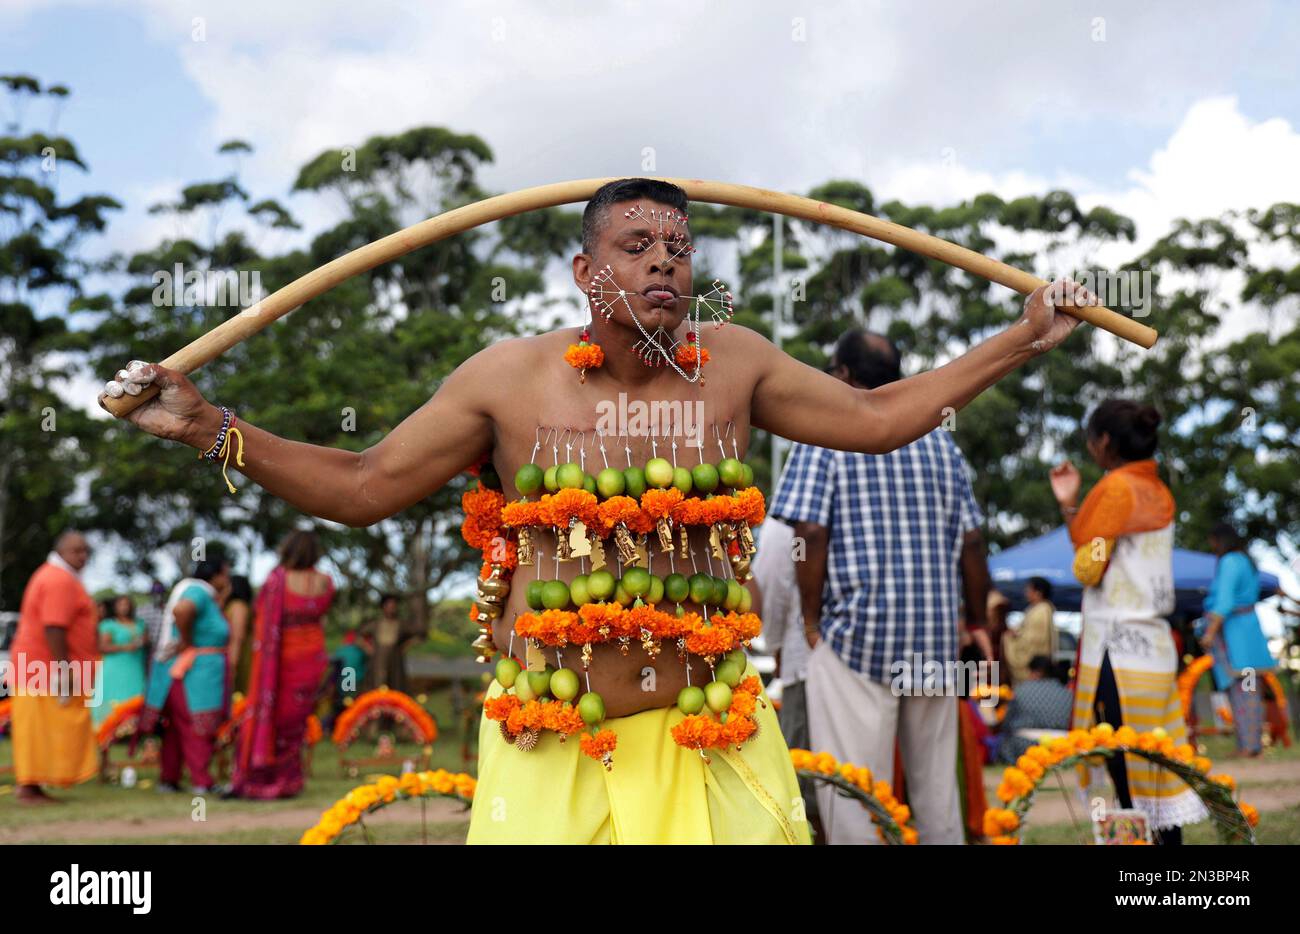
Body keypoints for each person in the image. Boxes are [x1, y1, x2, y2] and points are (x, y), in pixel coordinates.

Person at [102, 177, 1085, 844]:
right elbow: (363, 486)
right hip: (551, 743)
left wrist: (1022, 337)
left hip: (714, 738)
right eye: (637, 244)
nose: (665, 262)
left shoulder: (734, 364)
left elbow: (875, 417)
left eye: (680, 248)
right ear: (585, 272)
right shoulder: (506, 379)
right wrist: (211, 429)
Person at [771, 327, 994, 845]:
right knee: (938, 795)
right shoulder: (942, 444)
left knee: (855, 795)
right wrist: (976, 620)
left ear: (843, 376)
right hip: (935, 642)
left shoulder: (825, 432)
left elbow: (809, 531)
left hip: (856, 637)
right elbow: (974, 542)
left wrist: (809, 622)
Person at [1050, 399, 1206, 843]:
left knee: (1121, 764)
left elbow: (1089, 565)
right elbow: (1097, 540)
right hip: (1154, 651)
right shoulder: (1156, 489)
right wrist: (1071, 506)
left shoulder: (1116, 490)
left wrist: (1078, 536)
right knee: (1157, 762)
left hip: (1116, 652)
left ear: (1103, 442)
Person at [230, 530, 334, 799]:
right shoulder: (325, 582)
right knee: (296, 723)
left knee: (275, 717)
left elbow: (261, 618)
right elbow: (321, 615)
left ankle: (265, 777)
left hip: (281, 661)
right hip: (313, 658)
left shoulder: (277, 581)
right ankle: (288, 779)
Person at [8, 532, 100, 803]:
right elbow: (54, 627)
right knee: (40, 730)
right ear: (60, 551)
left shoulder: (61, 577)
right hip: (43, 668)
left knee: (48, 728)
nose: (82, 556)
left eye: (85, 551)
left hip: (43, 668)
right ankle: (29, 787)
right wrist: (64, 668)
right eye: (76, 551)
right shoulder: (58, 580)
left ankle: (34, 785)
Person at [749, 517, 819, 829]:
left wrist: (776, 644)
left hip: (805, 662)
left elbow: (770, 590)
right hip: (844, 661)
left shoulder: (783, 522)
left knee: (804, 780)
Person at [142, 552, 232, 794]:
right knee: (195, 726)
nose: (229, 578)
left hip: (188, 671)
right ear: (216, 575)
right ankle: (202, 781)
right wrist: (186, 641)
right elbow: (182, 611)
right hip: (192, 673)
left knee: (178, 727)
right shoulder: (198, 591)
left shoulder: (205, 595)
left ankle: (169, 779)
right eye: (226, 573)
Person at [1199, 522, 1275, 757]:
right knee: (1250, 690)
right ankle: (1251, 745)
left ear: (1219, 540)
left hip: (1235, 635)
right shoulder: (1246, 561)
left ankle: (1249, 746)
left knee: (1243, 692)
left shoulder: (1230, 562)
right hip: (1249, 632)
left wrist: (1210, 632)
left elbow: (1225, 600)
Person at [998, 654, 1073, 762]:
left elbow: (1007, 723)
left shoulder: (1021, 690)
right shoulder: (1066, 693)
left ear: (1036, 673)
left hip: (1025, 747)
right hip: (1061, 747)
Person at [94, 594, 148, 727]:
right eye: (121, 604)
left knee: (134, 694)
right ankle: (109, 728)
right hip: (115, 667)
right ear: (115, 607)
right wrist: (126, 647)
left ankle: (130, 729)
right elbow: (102, 647)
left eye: (127, 604)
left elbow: (146, 640)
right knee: (113, 696)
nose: (124, 607)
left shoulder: (140, 623)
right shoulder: (108, 625)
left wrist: (143, 642)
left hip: (134, 666)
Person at [359, 594, 422, 693]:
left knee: (395, 685)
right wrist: (368, 648)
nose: (391, 608)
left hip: (395, 659)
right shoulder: (376, 624)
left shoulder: (401, 624)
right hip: (378, 659)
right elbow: (360, 636)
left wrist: (405, 646)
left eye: (394, 606)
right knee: (377, 683)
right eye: (389, 606)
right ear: (383, 607)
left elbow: (417, 636)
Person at [1003, 577, 1056, 685]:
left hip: (1034, 667)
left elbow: (1032, 643)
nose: (1026, 593)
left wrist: (1009, 639)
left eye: (1028, 590)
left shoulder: (1041, 612)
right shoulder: (1036, 610)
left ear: (1038, 593)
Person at [224, 575, 255, 695]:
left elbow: (237, 637)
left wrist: (232, 666)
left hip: (239, 658)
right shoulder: (235, 605)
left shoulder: (238, 606)